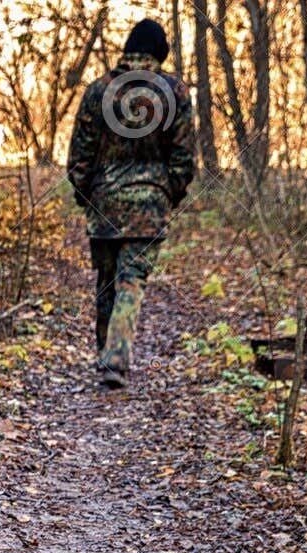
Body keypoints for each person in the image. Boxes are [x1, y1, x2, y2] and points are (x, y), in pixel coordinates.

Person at [67, 18, 195, 390]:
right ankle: (116, 359)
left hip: (104, 203)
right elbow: (184, 157)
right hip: (149, 204)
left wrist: (86, 194)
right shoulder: (173, 91)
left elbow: (80, 154)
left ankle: (104, 355)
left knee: (107, 281)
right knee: (131, 280)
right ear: (160, 53)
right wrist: (166, 192)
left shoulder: (99, 90)